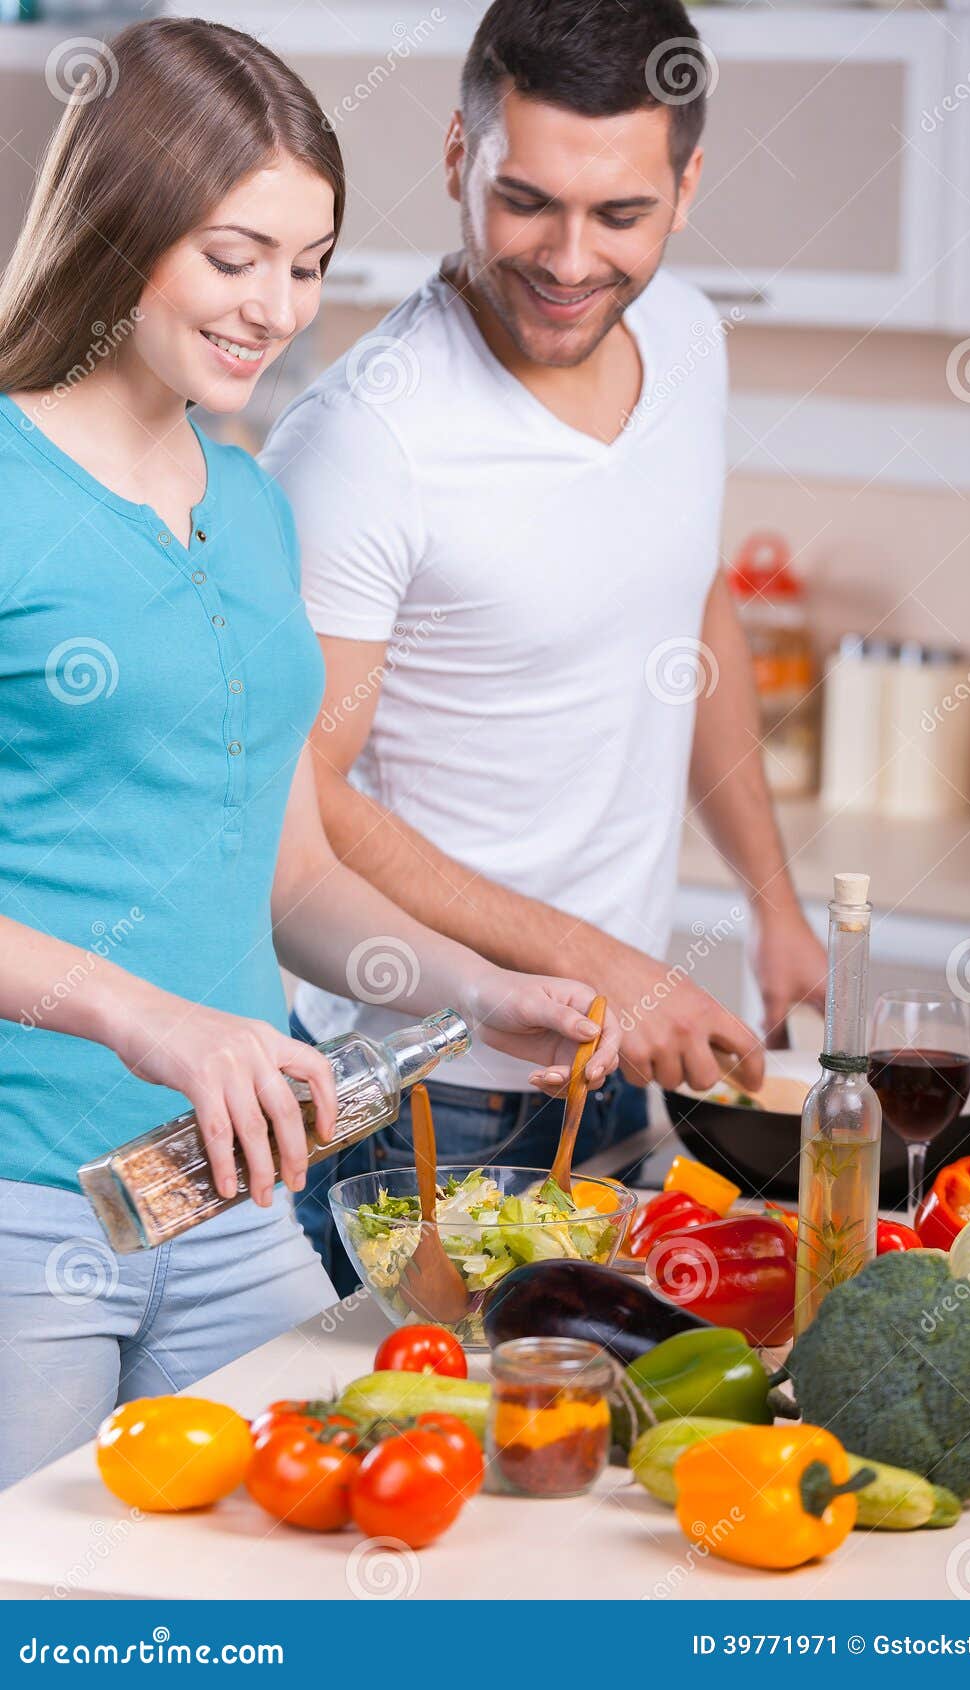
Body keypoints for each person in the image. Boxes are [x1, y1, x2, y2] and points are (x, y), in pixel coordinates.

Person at [0, 16, 620, 1490]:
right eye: (235, 256)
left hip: (234, 1204)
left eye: (310, 260)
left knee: (318, 1580)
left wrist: (470, 989)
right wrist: (148, 1017)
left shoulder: (251, 498)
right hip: (26, 1215)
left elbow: (285, 870)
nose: (277, 306)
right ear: (122, 228)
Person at [261, 0, 821, 1294]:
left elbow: (692, 606)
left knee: (580, 1458)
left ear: (684, 187)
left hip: (613, 1076)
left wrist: (770, 901)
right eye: (525, 201)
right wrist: (602, 962)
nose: (570, 259)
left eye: (618, 215)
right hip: (426, 1095)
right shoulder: (366, 439)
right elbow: (307, 801)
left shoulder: (688, 337)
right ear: (459, 157)